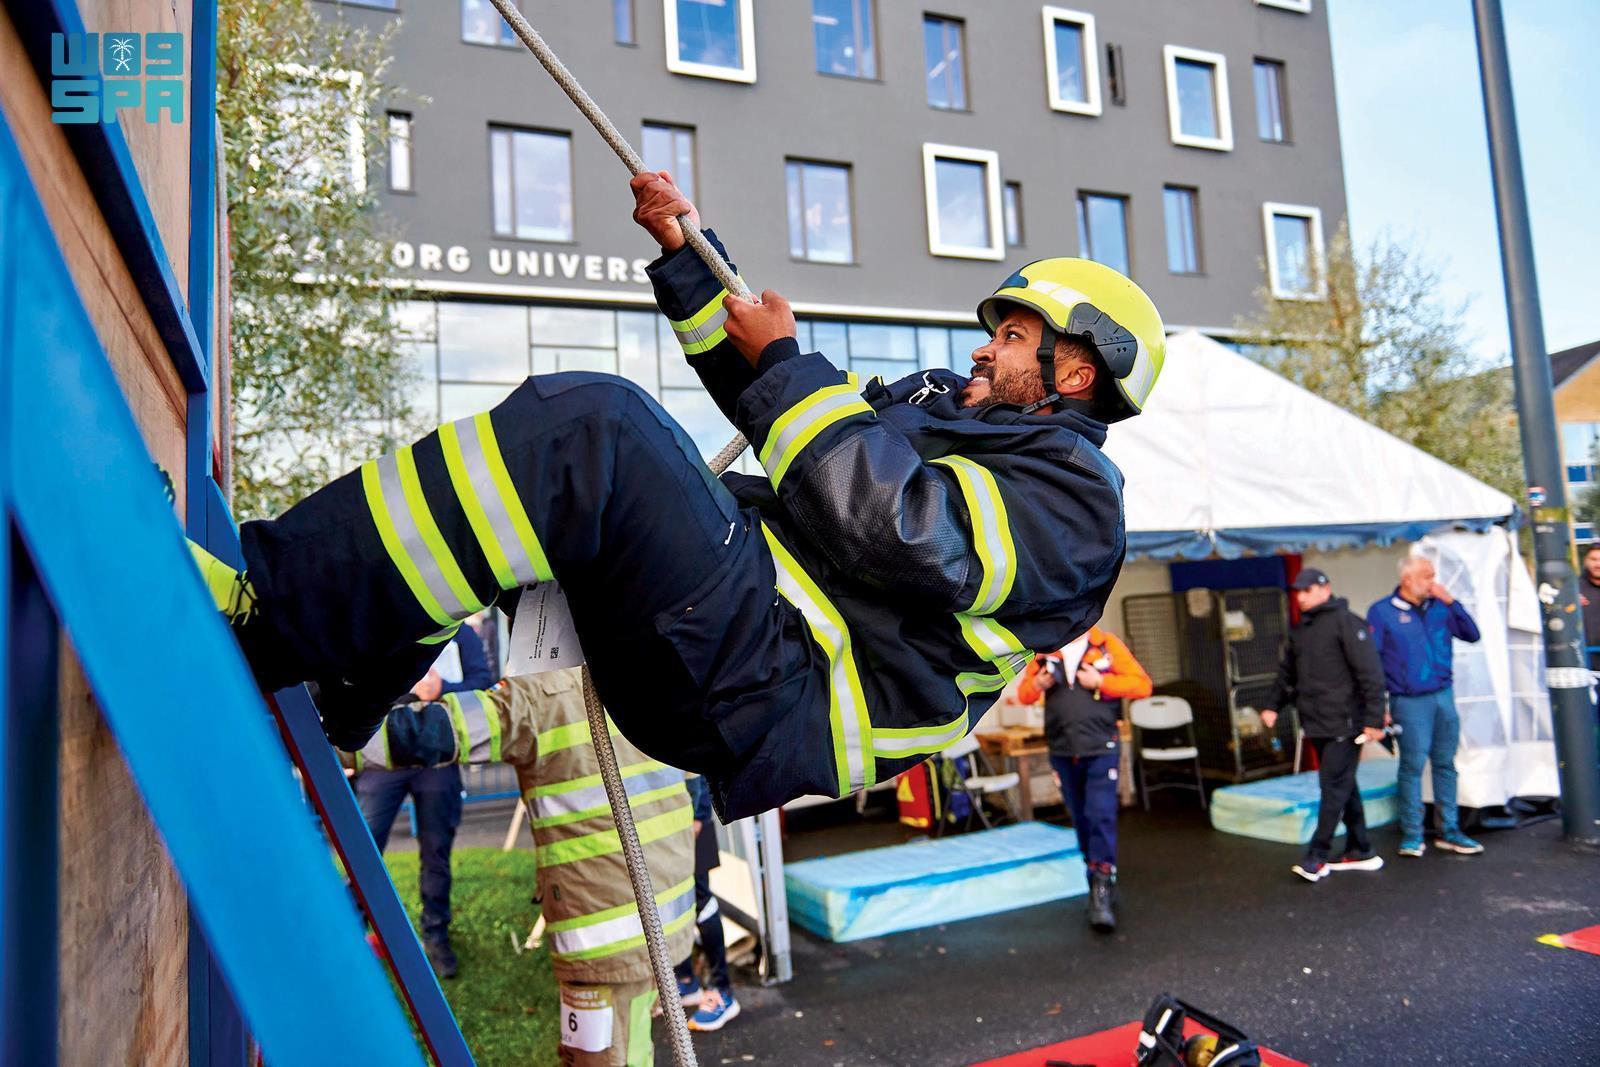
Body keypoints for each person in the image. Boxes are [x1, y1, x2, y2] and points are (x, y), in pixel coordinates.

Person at [190, 169, 1166, 820]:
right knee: (536, 491)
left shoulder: (1074, 506)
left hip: (773, 675)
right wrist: (690, 259)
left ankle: (268, 616)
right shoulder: (961, 422)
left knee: (597, 432)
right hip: (746, 631)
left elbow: (894, 529)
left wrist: (790, 362)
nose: (982, 347)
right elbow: (784, 424)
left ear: (1077, 373)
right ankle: (339, 693)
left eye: (1013, 336)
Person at [346, 669, 695, 1067]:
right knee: (630, 1046)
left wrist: (329, 739)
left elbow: (437, 730)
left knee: (608, 1058)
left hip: (606, 938)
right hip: (664, 916)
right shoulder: (647, 671)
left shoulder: (543, 693)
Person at [351, 621, 494, 978]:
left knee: (436, 851)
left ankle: (436, 936)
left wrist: (443, 688)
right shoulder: (388, 618)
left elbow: (483, 683)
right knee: (364, 847)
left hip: (438, 757)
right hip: (382, 756)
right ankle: (350, 935)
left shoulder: (463, 634)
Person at [1016, 625, 1150, 931]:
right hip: (1063, 748)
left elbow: (1142, 686)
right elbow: (1024, 695)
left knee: (1099, 813)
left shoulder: (1106, 645)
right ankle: (1100, 873)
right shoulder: (1045, 646)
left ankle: (1100, 885)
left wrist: (1101, 681)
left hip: (1101, 746)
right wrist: (1038, 683)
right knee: (1080, 817)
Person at [1260, 569, 1388, 883]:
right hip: (1315, 722)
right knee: (1343, 785)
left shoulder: (1348, 623)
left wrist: (1374, 719)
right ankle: (1361, 848)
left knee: (1332, 787)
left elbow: (1370, 674)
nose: (1300, 596)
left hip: (1345, 724)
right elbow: (1286, 673)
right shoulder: (1301, 629)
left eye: (1306, 590)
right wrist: (1271, 705)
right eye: (1298, 592)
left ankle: (1317, 855)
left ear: (1324, 589)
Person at [1367, 553, 1484, 858]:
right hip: (1409, 701)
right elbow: (1373, 663)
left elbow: (1472, 635)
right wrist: (1380, 705)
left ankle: (1450, 831)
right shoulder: (1382, 612)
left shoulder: (1440, 608)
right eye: (1427, 576)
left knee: (1446, 764)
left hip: (1443, 695)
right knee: (1412, 766)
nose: (1434, 582)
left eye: (1433, 575)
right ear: (1408, 580)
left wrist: (1452, 602)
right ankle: (1412, 835)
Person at [674, 774, 739, 1031]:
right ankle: (686, 980)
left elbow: (691, 761)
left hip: (691, 818)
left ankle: (721, 991)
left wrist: (699, 814)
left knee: (702, 902)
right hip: (666, 827)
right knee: (675, 904)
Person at [1578, 543, 1600, 670]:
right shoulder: (1573, 590)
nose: (1598, 565)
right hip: (1586, 666)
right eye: (1593, 559)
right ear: (1585, 561)